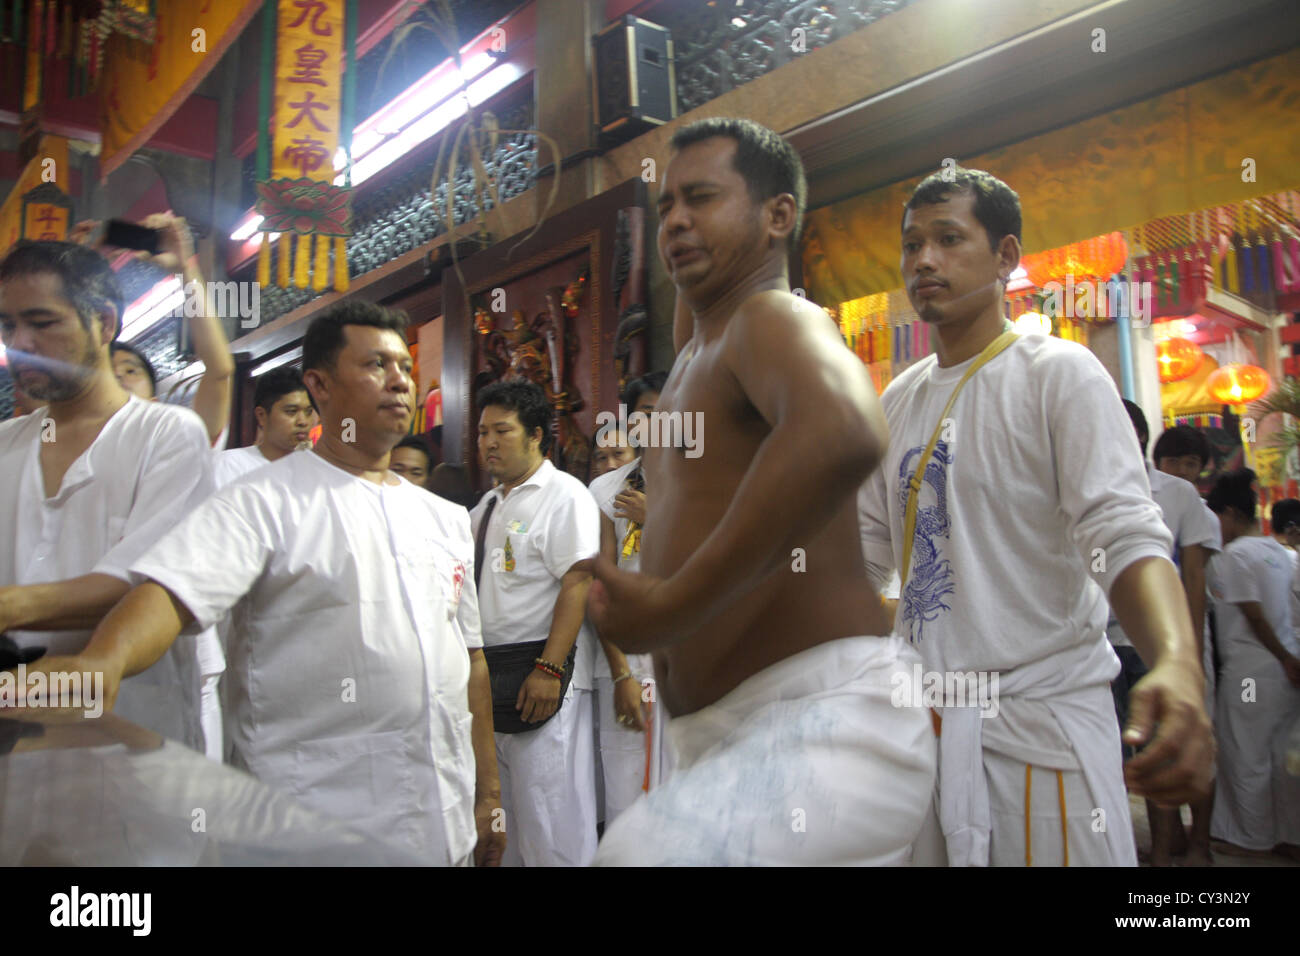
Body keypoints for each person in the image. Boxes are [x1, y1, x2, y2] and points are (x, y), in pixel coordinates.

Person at [13, 301, 505, 866]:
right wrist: (103, 661)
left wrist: (488, 797)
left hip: (442, 819)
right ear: (319, 384)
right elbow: (170, 591)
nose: (399, 381)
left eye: (403, 367)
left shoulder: (442, 518)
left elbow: (471, 661)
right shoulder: (262, 502)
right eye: (376, 365)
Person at [584, 118, 933, 865]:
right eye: (667, 203)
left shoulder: (771, 317)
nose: (677, 218)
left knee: (633, 858)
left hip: (825, 718)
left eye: (702, 198)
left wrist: (674, 607)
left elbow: (842, 428)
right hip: (722, 737)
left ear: (778, 216)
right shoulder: (696, 356)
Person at [857, 167, 1213, 866]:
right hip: (922, 728)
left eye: (949, 239)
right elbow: (870, 560)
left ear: (1006, 256)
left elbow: (1123, 537)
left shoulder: (1059, 374)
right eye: (911, 245)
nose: (924, 260)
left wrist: (1176, 661)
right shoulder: (894, 401)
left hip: (1037, 727)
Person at [0, 239, 213, 749]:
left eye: (42, 322)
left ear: (104, 323)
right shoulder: (6, 446)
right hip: (18, 733)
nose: (21, 342)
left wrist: (9, 606)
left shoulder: (168, 434)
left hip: (135, 727)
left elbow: (152, 583)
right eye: (8, 326)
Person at [471, 378, 601, 866]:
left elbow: (579, 581)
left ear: (536, 437)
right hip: (492, 678)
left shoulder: (563, 495)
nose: (488, 442)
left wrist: (548, 669)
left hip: (544, 674)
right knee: (511, 820)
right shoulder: (486, 506)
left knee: (552, 817)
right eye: (483, 432)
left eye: (501, 431)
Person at [1112, 400, 1221, 866]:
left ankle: (1190, 846)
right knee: (1129, 752)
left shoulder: (1176, 494)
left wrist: (1185, 652)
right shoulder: (1085, 487)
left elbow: (1192, 580)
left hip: (1161, 642)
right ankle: (1157, 845)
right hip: (1107, 644)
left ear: (1135, 436)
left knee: (1175, 740)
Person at [76, 214, 236, 446]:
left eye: (131, 371)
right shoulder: (72, 445)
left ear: (154, 401)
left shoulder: (177, 440)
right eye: (109, 373)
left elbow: (219, 371)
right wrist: (71, 278)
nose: (119, 376)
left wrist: (185, 270)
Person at [1205, 469, 1300, 857]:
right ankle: (1289, 837)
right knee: (1283, 760)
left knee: (1246, 755)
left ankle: (1250, 838)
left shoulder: (1232, 556)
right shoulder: (1280, 552)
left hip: (1251, 672)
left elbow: (1253, 614)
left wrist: (1281, 656)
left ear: (1227, 513)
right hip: (1283, 671)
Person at [213, 367, 314, 488]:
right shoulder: (230, 465)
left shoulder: (312, 473)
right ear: (262, 416)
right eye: (291, 411)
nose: (303, 421)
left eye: (308, 412)